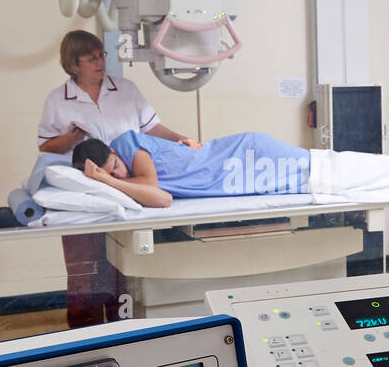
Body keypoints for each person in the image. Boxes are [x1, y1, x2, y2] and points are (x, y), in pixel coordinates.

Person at [37, 30, 200, 327]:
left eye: (102, 55)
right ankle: (83, 336)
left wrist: (182, 139)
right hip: (86, 192)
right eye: (92, 58)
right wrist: (70, 137)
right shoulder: (58, 100)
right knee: (84, 271)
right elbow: (46, 145)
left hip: (128, 186)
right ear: (75, 64)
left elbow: (152, 129)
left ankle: (122, 328)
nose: (100, 62)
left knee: (121, 267)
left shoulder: (125, 89)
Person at [72, 130, 312, 207]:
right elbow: (163, 199)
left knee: (321, 168)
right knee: (311, 179)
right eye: (112, 175)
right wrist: (108, 180)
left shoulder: (126, 144)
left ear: (113, 152)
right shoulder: (123, 181)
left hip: (242, 156)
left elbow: (151, 184)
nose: (119, 175)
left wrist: (108, 179)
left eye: (115, 167)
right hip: (234, 176)